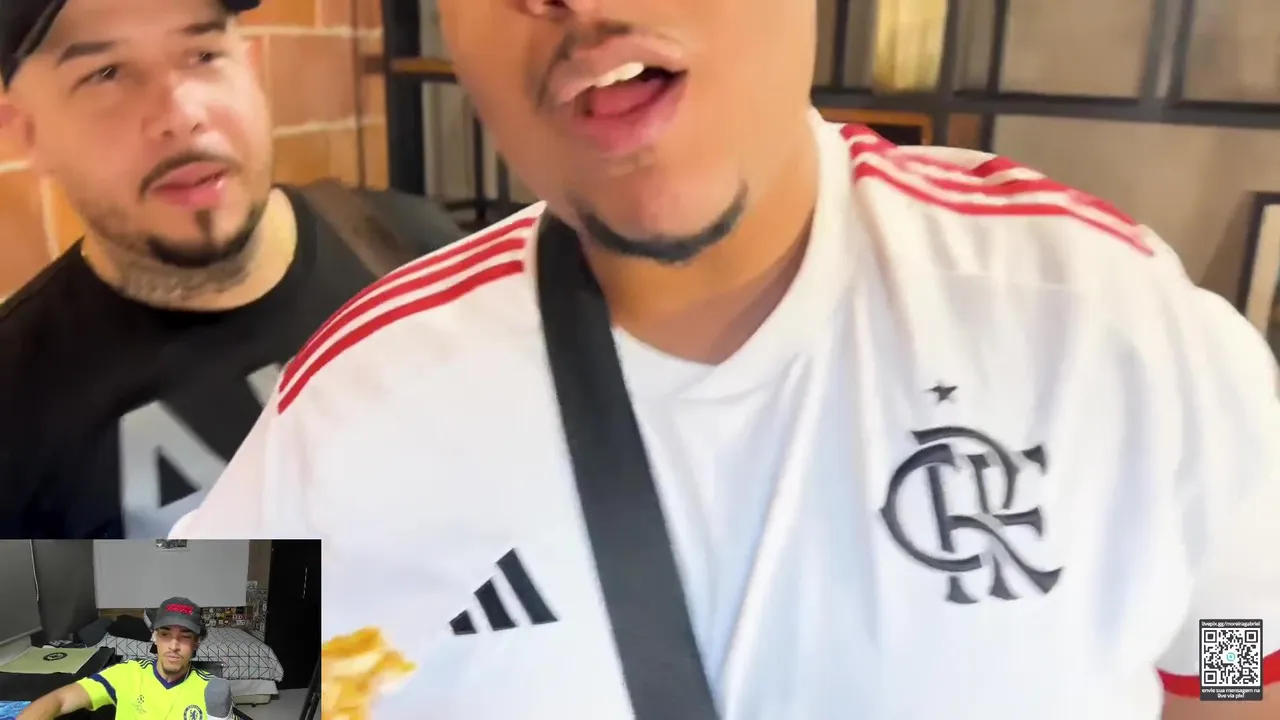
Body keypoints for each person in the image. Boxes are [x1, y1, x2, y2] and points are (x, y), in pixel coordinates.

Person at [180, 0, 1279, 717]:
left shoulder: (1111, 329)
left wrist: (1222, 691)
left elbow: (1239, 648)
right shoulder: (360, 407)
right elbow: (125, 680)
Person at [0, 0, 463, 538]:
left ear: (252, 69)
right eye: (106, 74)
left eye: (204, 55)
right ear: (27, 132)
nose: (181, 114)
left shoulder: (413, 248)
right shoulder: (16, 409)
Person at [17, 597, 234, 720]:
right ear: (154, 637)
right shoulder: (127, 674)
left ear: (196, 643)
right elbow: (60, 700)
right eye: (165, 634)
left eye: (185, 637)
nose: (174, 646)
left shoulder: (213, 690)